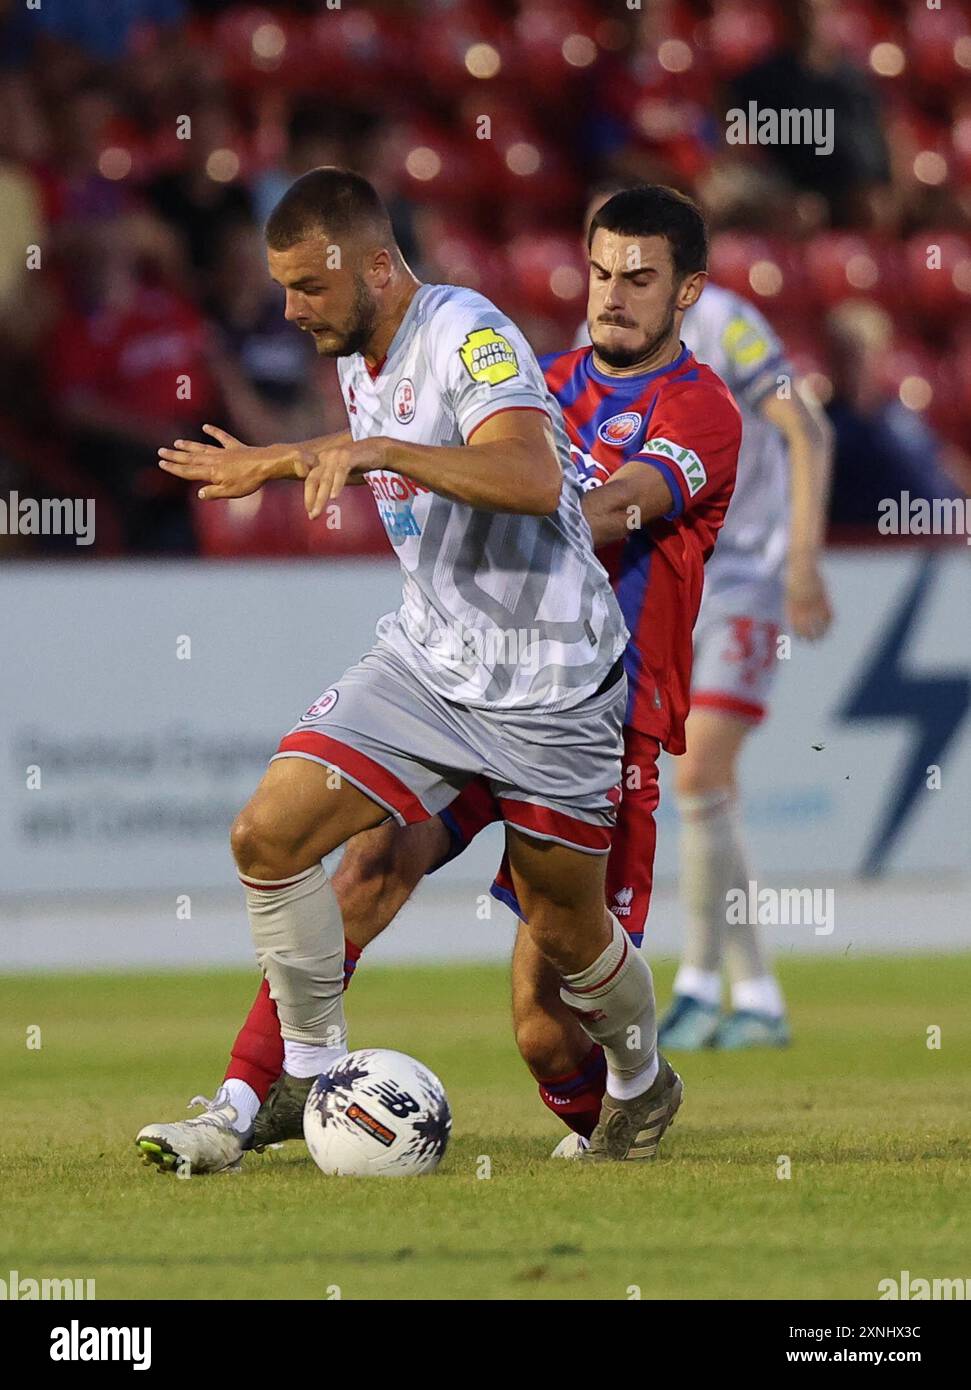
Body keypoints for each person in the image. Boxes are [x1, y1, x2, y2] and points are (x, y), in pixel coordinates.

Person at [137, 184, 741, 1172]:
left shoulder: (554, 364)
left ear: (685, 292)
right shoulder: (435, 361)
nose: (611, 294)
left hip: (570, 692)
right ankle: (268, 1092)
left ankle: (634, 1080)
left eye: (638, 278)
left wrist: (380, 454)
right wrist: (295, 459)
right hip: (435, 668)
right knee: (295, 844)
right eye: (598, 272)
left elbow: (572, 498)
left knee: (555, 990)